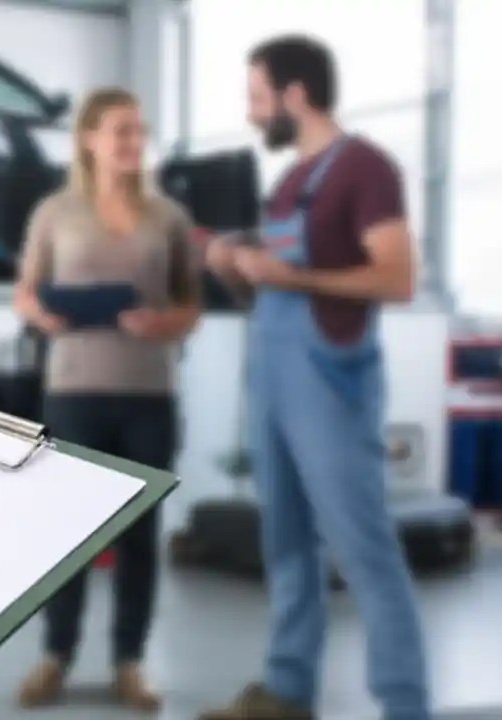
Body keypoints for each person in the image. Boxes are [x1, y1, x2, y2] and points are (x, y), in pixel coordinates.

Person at [198, 36, 430, 720]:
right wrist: (236, 270)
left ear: (296, 94)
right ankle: (289, 689)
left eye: (257, 97)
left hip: (329, 378)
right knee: (286, 540)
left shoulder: (365, 170)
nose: (250, 114)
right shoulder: (289, 183)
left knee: (364, 550)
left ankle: (407, 706)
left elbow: (398, 276)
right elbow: (274, 287)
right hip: (272, 369)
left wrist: (287, 274)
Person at [13, 87, 202, 712]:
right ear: (90, 140)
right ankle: (56, 656)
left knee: (141, 538)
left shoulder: (167, 218)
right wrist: (45, 316)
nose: (132, 142)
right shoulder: (55, 212)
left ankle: (129, 663)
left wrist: (162, 325)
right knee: (68, 534)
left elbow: (189, 306)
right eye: (120, 131)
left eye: (138, 131)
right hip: (74, 390)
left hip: (148, 394)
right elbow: (26, 295)